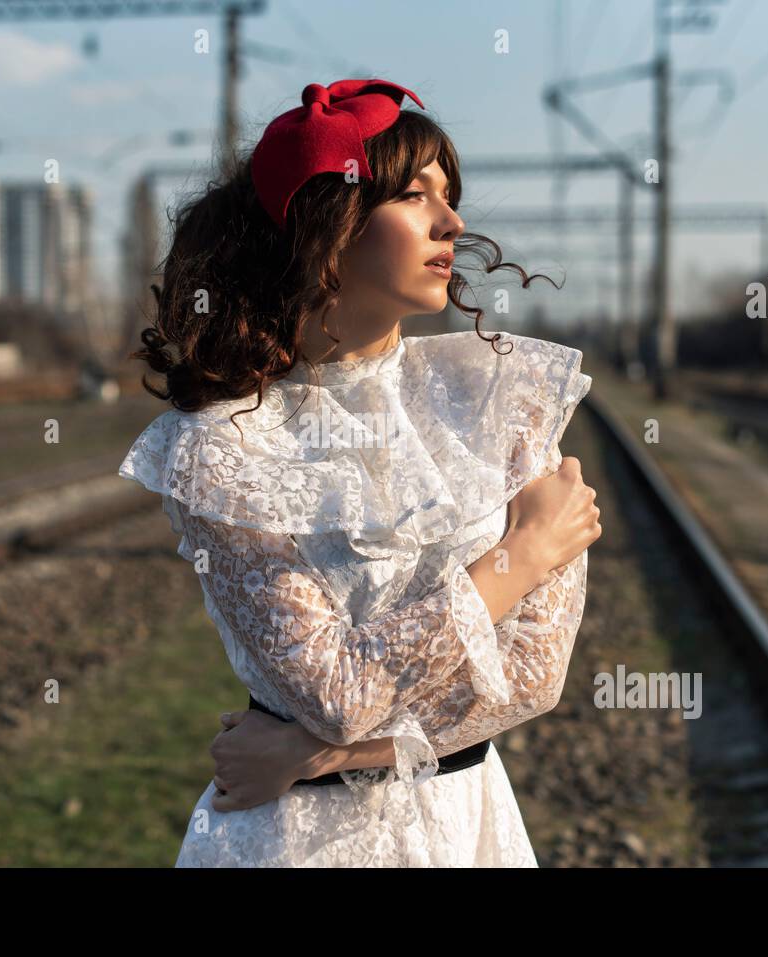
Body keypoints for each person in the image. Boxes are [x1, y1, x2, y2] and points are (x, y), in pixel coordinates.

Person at [119, 78, 600, 867]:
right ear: (327, 227)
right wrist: (519, 557)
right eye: (415, 196)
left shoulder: (499, 403)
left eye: (450, 195)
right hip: (303, 843)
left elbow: (532, 675)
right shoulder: (223, 449)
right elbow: (338, 691)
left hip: (467, 827)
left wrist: (315, 755)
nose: (454, 222)